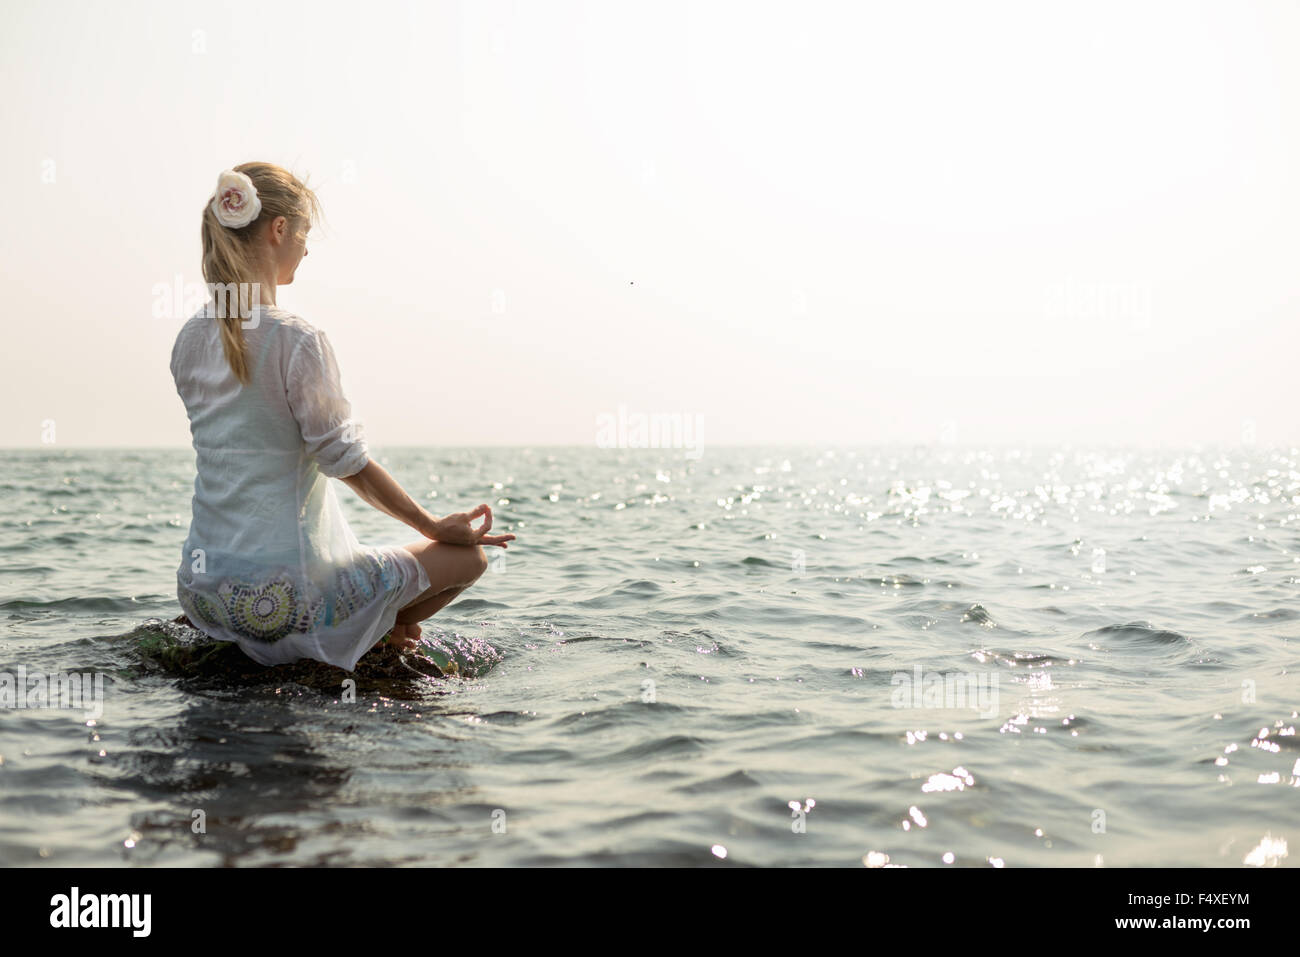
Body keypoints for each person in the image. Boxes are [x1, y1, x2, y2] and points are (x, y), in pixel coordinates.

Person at [170, 162, 513, 671]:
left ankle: (378, 627)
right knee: (469, 558)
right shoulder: (296, 339)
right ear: (279, 229)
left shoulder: (189, 340)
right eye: (304, 232)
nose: (306, 249)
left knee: (388, 566)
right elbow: (345, 461)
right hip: (286, 601)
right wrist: (434, 525)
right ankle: (379, 631)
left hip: (204, 594)